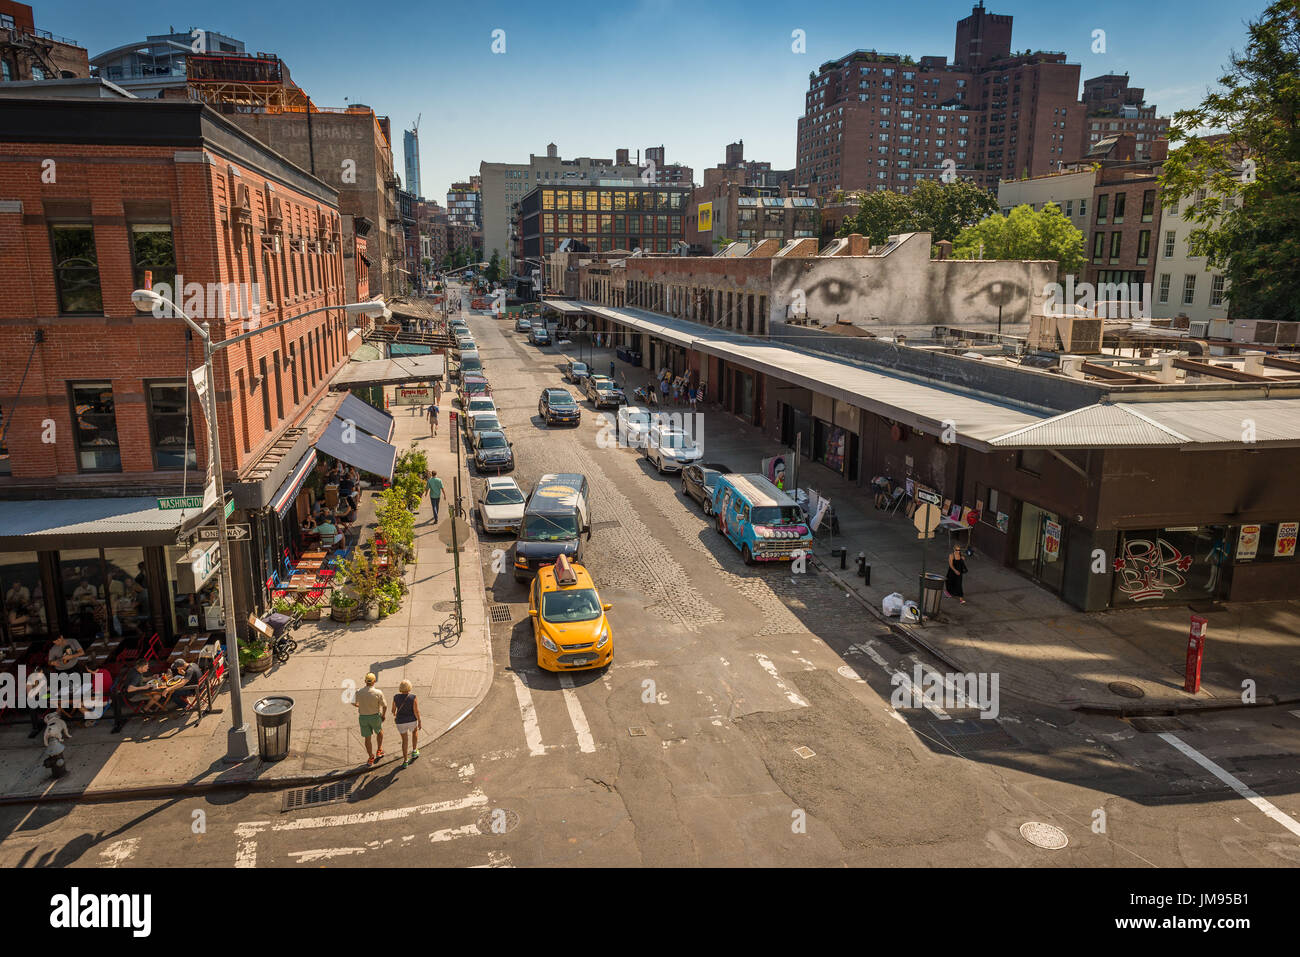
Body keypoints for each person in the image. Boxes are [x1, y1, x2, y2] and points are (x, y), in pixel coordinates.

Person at [353, 672, 387, 766]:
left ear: (365, 681)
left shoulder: (359, 692)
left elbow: (354, 703)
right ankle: (379, 750)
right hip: (375, 716)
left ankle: (370, 757)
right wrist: (383, 715)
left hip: (363, 717)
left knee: (367, 738)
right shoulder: (378, 693)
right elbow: (385, 705)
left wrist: (361, 705)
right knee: (379, 731)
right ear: (374, 681)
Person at [110, 659, 153, 733]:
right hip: (133, 696)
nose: (148, 668)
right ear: (141, 667)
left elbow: (142, 679)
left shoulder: (135, 670)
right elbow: (129, 689)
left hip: (133, 693)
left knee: (154, 693)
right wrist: (144, 687)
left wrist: (152, 677)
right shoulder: (136, 676)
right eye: (146, 667)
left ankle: (147, 709)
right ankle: (145, 710)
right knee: (157, 695)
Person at [392, 679, 422, 768]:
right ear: (409, 687)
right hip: (412, 720)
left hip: (400, 722)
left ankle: (405, 761)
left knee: (404, 740)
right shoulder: (413, 697)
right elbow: (416, 711)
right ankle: (414, 751)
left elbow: (393, 710)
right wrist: (419, 721)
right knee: (414, 732)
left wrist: (395, 714)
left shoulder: (396, 697)